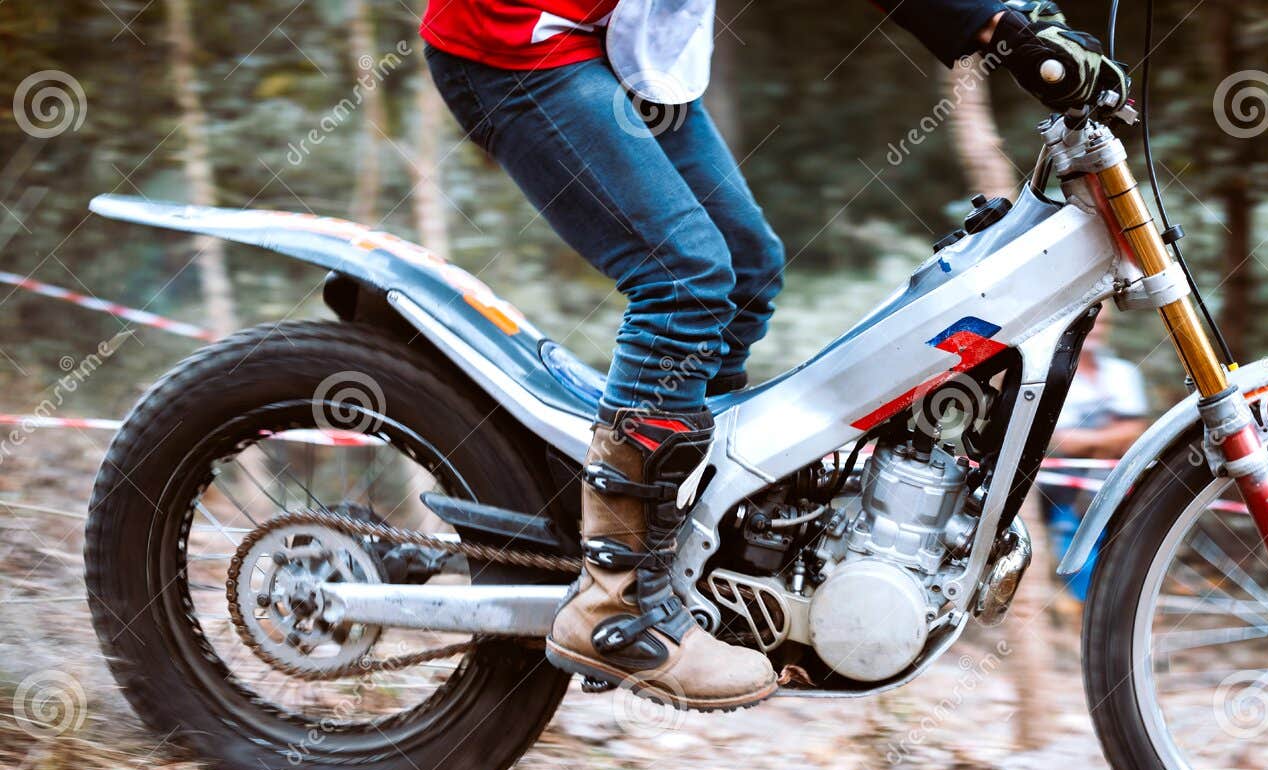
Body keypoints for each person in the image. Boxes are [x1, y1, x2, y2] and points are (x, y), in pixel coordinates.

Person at [422, 0, 1127, 709]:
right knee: (684, 280)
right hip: (519, 42)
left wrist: (1012, 13)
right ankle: (617, 604)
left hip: (614, 41)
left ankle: (684, 550)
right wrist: (989, 24)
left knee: (746, 266)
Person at [1039, 323, 1150, 605]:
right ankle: (1088, 614)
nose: (1097, 329)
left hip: (1119, 489)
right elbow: (1059, 441)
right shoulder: (1055, 375)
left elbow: (1136, 430)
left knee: (1123, 560)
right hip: (1066, 494)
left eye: (1104, 323)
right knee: (1077, 563)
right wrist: (1113, 435)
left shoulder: (1122, 373)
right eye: (1093, 322)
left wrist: (1087, 438)